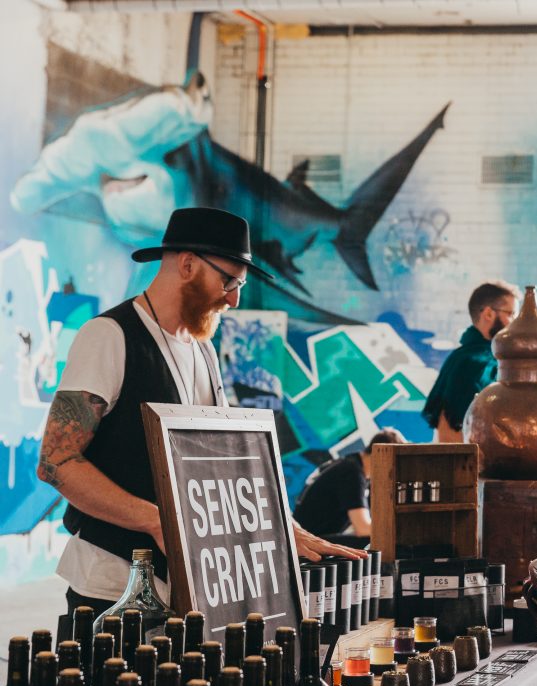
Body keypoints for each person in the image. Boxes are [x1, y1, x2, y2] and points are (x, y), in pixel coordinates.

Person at [36, 207, 361, 617]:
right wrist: (158, 521)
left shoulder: (203, 352)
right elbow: (57, 461)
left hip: (189, 588)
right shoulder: (109, 336)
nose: (234, 299)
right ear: (188, 265)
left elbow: (219, 463)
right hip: (111, 587)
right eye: (229, 281)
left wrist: (279, 526)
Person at [421, 281, 520, 442]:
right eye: (511, 314)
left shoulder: (488, 359)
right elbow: (450, 433)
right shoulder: (469, 363)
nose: (516, 321)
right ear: (488, 314)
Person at [292, 427, 407, 539]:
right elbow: (363, 528)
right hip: (309, 541)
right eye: (394, 464)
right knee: (375, 538)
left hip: (309, 537)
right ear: (383, 456)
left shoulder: (351, 464)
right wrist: (403, 532)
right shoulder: (352, 473)